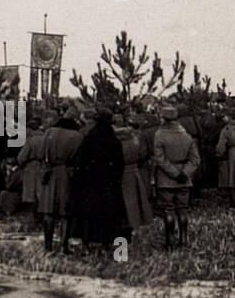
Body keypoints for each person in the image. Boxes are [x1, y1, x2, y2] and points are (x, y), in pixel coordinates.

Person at [71, 106, 126, 251]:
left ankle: (86, 244)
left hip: (90, 181)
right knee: (108, 213)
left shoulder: (89, 138)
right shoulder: (114, 140)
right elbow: (120, 164)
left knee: (88, 214)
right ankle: (106, 243)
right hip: (109, 182)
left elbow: (80, 161)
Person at [153, 103, 200, 249]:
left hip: (166, 178)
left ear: (163, 118)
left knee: (168, 209)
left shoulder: (160, 135)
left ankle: (169, 241)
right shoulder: (186, 136)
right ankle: (184, 240)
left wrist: (174, 173)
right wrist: (185, 173)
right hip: (184, 179)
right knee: (183, 209)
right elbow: (195, 160)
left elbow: (160, 159)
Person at [39, 104, 84, 253]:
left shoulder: (49, 132)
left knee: (48, 210)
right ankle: (64, 247)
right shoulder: (77, 137)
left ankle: (48, 246)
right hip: (67, 174)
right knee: (66, 212)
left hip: (50, 173)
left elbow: (41, 153)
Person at [116, 114, 154, 239]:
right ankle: (128, 236)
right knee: (133, 206)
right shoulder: (134, 139)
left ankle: (120, 246)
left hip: (118, 175)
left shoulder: (115, 141)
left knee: (120, 207)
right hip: (133, 174)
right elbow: (142, 154)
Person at [16, 116, 46, 220]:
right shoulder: (46, 138)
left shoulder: (30, 140)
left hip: (31, 167)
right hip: (43, 166)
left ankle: (33, 218)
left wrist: (20, 164)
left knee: (31, 195)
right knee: (41, 193)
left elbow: (22, 157)